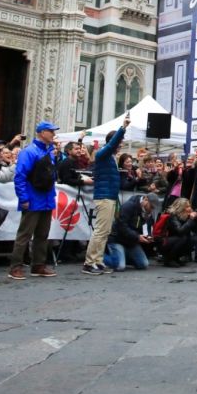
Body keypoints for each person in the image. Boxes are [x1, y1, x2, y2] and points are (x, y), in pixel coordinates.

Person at [8, 121, 60, 281]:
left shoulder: (49, 152)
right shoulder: (29, 151)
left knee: (42, 234)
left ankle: (38, 265)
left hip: (46, 198)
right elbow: (20, 176)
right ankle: (15, 267)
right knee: (25, 234)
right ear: (42, 133)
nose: (53, 134)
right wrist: (23, 198)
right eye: (51, 131)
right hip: (32, 198)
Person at [82, 116, 128, 275]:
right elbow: (112, 144)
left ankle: (98, 261)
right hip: (104, 197)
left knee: (105, 231)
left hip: (109, 197)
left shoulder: (111, 158)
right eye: (119, 143)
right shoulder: (103, 154)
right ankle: (89, 263)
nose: (120, 146)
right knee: (101, 231)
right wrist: (123, 129)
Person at [105, 192, 158, 271]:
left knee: (143, 264)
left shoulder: (147, 212)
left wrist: (148, 236)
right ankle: (98, 257)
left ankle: (121, 257)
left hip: (131, 241)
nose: (152, 209)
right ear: (146, 199)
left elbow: (147, 228)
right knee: (120, 266)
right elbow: (122, 226)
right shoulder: (129, 206)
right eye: (151, 207)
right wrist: (137, 237)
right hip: (117, 238)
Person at [159, 198, 197, 266]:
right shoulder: (172, 216)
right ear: (181, 208)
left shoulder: (186, 215)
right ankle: (169, 259)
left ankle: (176, 258)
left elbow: (196, 230)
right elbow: (180, 231)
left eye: (189, 206)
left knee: (193, 239)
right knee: (183, 238)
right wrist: (191, 219)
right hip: (164, 242)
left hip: (175, 240)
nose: (189, 208)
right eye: (187, 207)